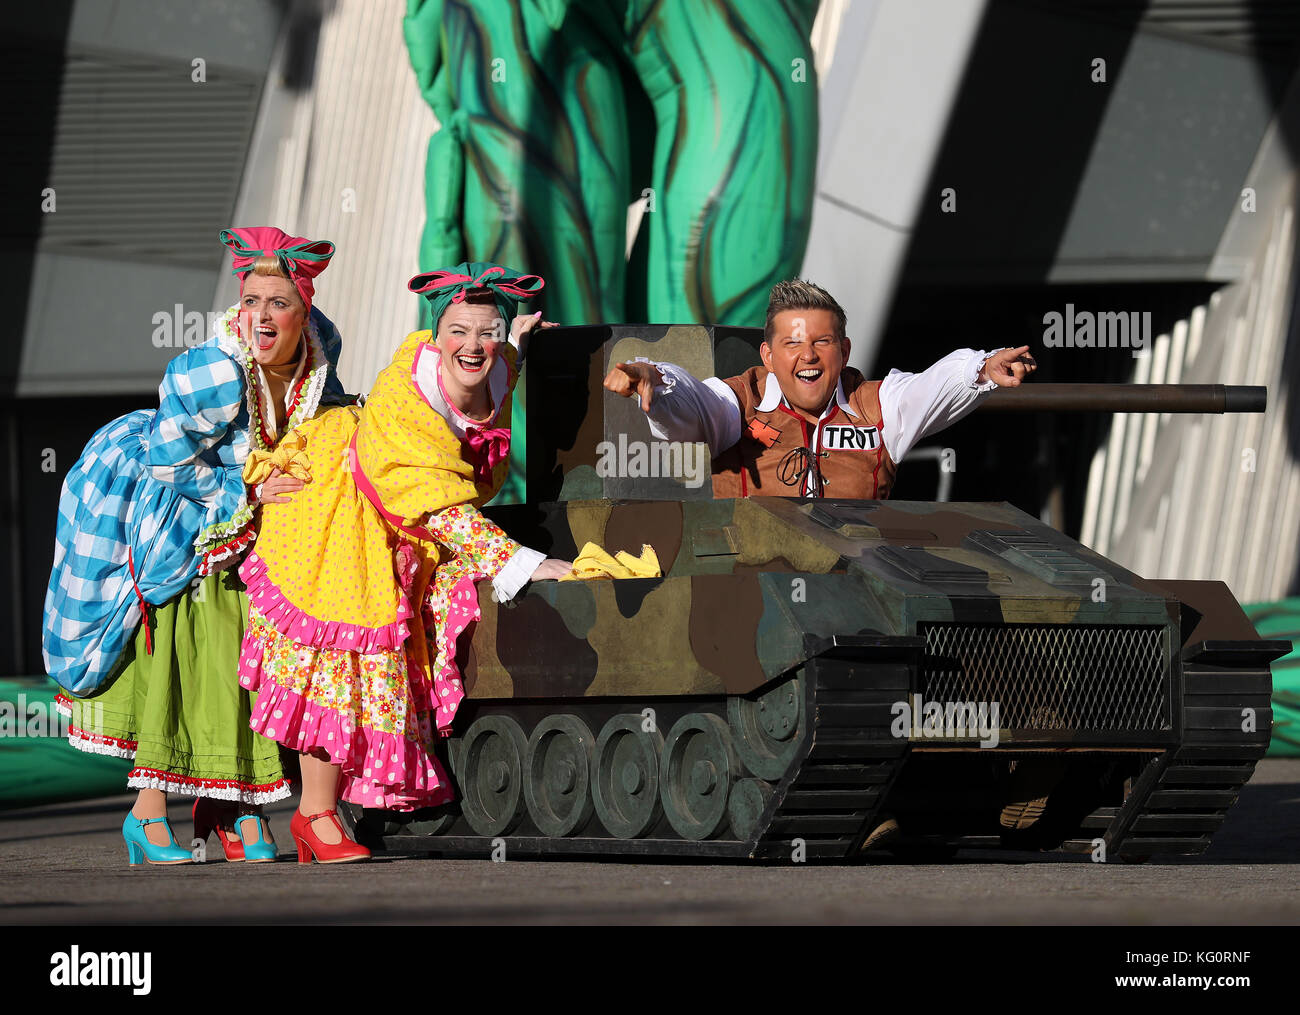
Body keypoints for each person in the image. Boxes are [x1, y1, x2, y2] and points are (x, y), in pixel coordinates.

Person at [236, 262, 570, 864]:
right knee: (338, 659)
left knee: (383, 664)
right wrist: (520, 561)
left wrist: (515, 341)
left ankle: (322, 811)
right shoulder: (403, 397)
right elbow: (430, 500)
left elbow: (497, 374)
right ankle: (314, 816)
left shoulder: (497, 364)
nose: (474, 346)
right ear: (435, 338)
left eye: (487, 333)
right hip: (339, 508)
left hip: (395, 528)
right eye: (459, 333)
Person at [45, 226, 351, 865]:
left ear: (304, 312)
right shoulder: (213, 370)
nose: (261, 317)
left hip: (249, 520)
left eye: (278, 304)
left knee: (242, 650)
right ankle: (147, 816)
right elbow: (166, 464)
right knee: (188, 643)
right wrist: (250, 493)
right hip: (179, 506)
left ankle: (229, 806)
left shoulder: (320, 354)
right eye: (251, 302)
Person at [603, 278, 1036, 498]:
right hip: (751, 607)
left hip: (861, 608)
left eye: (821, 342)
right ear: (769, 357)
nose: (807, 355)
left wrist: (980, 369)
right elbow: (695, 402)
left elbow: (929, 387)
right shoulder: (739, 401)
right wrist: (655, 378)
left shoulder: (877, 405)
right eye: (791, 343)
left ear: (843, 350)